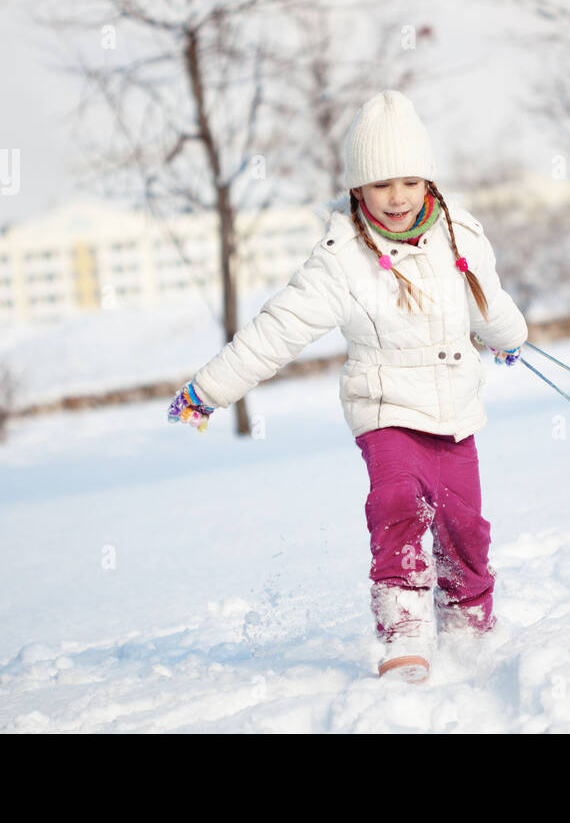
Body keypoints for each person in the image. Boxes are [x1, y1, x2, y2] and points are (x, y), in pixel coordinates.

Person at [167, 89, 528, 682]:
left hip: (456, 408)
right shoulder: (340, 260)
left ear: (427, 182)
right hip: (384, 407)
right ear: (358, 188)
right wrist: (210, 389)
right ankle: (406, 626)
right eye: (381, 184)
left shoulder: (458, 234)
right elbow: (276, 330)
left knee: (464, 524)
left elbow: (487, 300)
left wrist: (510, 338)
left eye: (410, 182)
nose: (397, 198)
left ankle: (466, 615)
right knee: (399, 504)